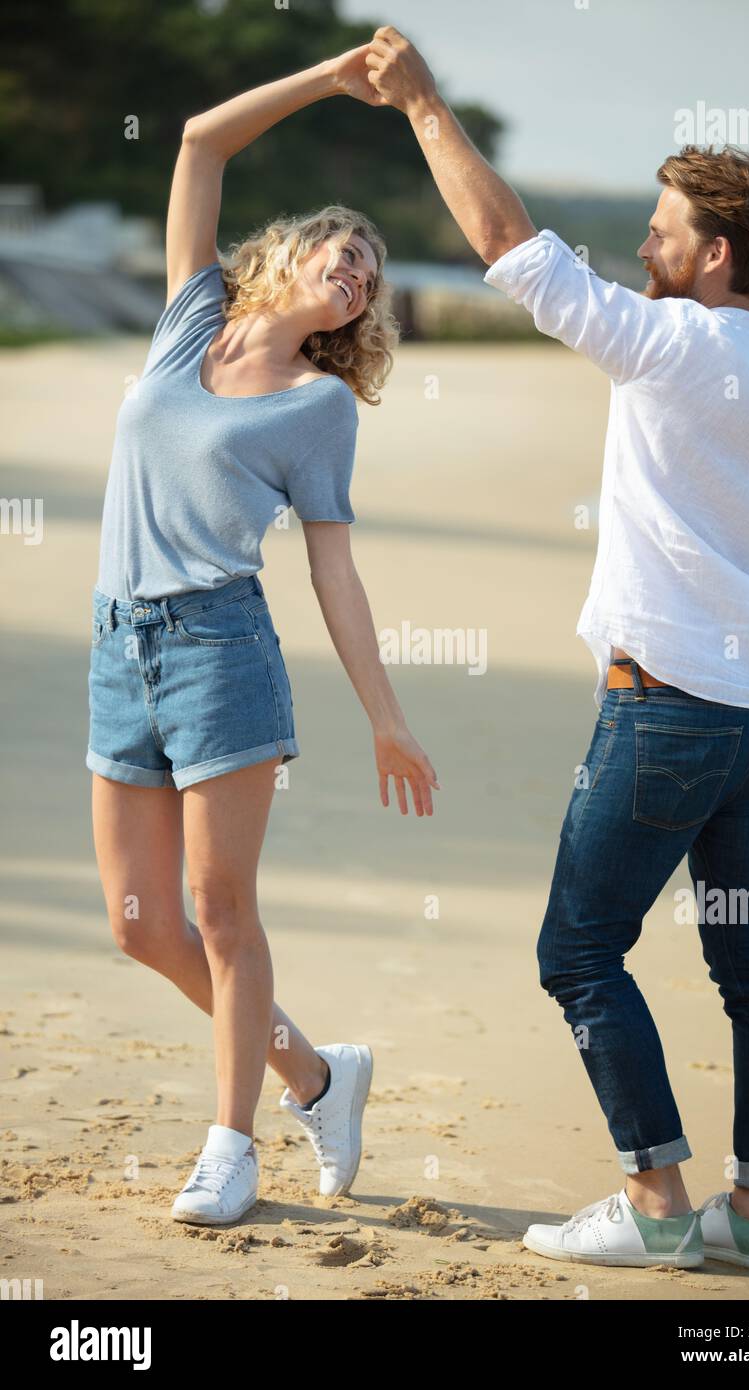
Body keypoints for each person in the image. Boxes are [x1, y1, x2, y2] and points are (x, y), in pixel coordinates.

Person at [361, 25, 749, 1272]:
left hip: (662, 719)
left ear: (713, 255)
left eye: (658, 231)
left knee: (576, 952)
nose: (642, 246)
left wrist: (421, 101)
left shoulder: (672, 344)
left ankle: (652, 1204)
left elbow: (511, 255)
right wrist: (733, 631)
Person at [86, 46, 439, 1227]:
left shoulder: (317, 405)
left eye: (372, 276)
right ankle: (318, 1078)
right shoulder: (192, 320)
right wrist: (328, 77)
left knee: (223, 913)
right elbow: (197, 141)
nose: (357, 271)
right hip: (117, 643)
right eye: (346, 249)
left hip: (220, 654)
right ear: (291, 252)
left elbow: (331, 568)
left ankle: (229, 1148)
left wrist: (385, 716)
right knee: (140, 924)